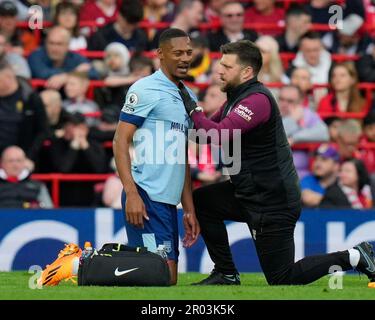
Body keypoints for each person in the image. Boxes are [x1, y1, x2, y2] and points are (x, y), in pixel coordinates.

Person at [178, 39, 375, 285]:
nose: (219, 70)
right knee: (204, 201)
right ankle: (225, 273)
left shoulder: (257, 100)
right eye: (220, 64)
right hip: (250, 192)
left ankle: (355, 256)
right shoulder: (235, 100)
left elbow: (218, 134)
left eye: (227, 66)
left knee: (282, 279)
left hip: (273, 201)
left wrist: (193, 108)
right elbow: (204, 135)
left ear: (246, 71)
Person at [113, 28, 200, 285]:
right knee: (159, 276)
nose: (185, 58)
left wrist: (189, 209)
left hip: (168, 203)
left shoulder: (188, 96)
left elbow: (181, 156)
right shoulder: (145, 89)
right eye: (178, 53)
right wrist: (131, 193)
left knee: (168, 279)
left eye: (188, 52)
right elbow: (120, 140)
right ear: (160, 54)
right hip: (146, 197)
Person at [28, 26, 99, 90]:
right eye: (51, 43)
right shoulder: (36, 55)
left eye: (59, 44)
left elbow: (94, 73)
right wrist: (72, 74)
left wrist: (65, 77)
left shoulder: (74, 57)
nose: (54, 48)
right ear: (45, 43)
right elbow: (42, 73)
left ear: (68, 45)